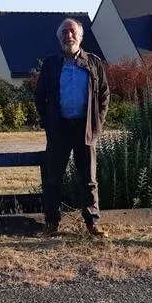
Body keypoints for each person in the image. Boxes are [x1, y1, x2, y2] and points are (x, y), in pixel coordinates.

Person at [33, 18, 110, 238]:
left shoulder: (94, 63)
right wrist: (47, 121)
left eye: (72, 32)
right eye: (64, 32)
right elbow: (39, 95)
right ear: (59, 38)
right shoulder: (51, 65)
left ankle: (92, 223)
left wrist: (98, 123)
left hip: (85, 129)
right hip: (59, 129)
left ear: (80, 36)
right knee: (53, 177)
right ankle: (51, 223)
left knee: (88, 178)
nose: (69, 36)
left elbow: (104, 95)